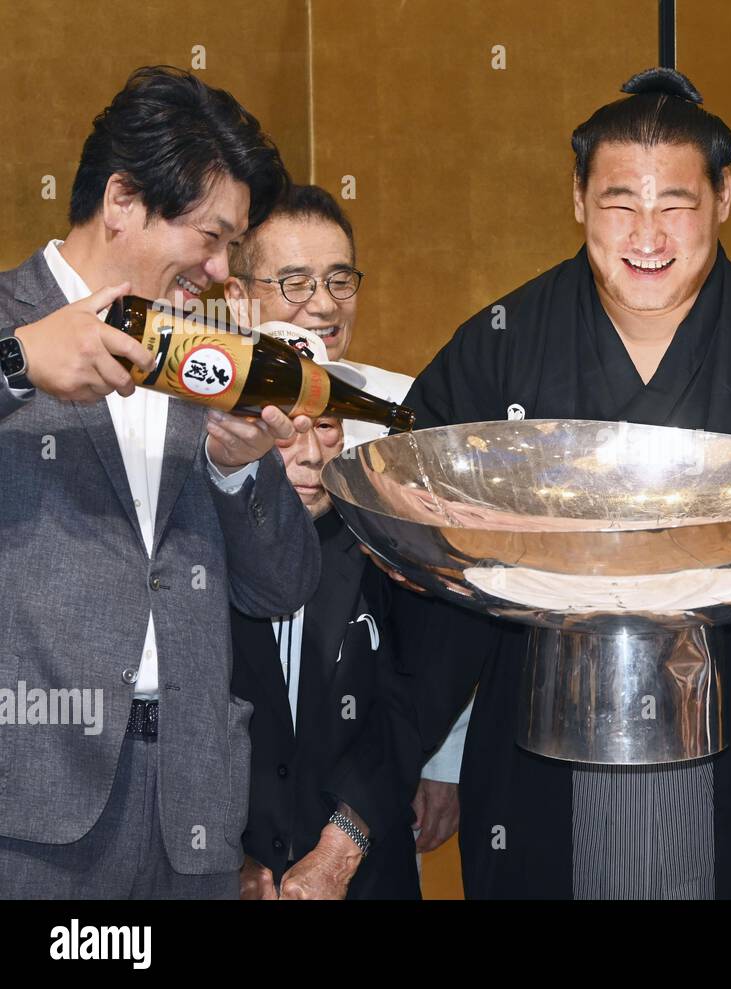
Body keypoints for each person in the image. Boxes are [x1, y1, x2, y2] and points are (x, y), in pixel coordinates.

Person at [391, 68, 731, 899]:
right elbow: (423, 540)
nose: (648, 233)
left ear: (722, 199)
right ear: (577, 200)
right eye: (619, 202)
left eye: (675, 203)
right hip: (541, 753)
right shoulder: (499, 345)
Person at [0, 65, 317, 899]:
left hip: (195, 815)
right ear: (121, 200)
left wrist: (236, 465)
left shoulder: (206, 354)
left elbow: (283, 587)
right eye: (210, 236)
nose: (221, 271)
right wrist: (19, 363)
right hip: (30, 810)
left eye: (232, 245)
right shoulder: (10, 325)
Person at [223, 183, 469, 856]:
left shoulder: (403, 412)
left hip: (372, 775)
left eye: (339, 279)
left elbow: (447, 609)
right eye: (295, 281)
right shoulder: (196, 425)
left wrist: (439, 763)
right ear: (240, 295)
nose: (325, 303)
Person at [230, 328, 425, 899]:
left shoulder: (389, 552)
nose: (311, 452)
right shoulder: (190, 549)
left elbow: (407, 711)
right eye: (286, 425)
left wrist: (340, 847)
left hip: (363, 870)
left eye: (327, 423)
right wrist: (224, 855)